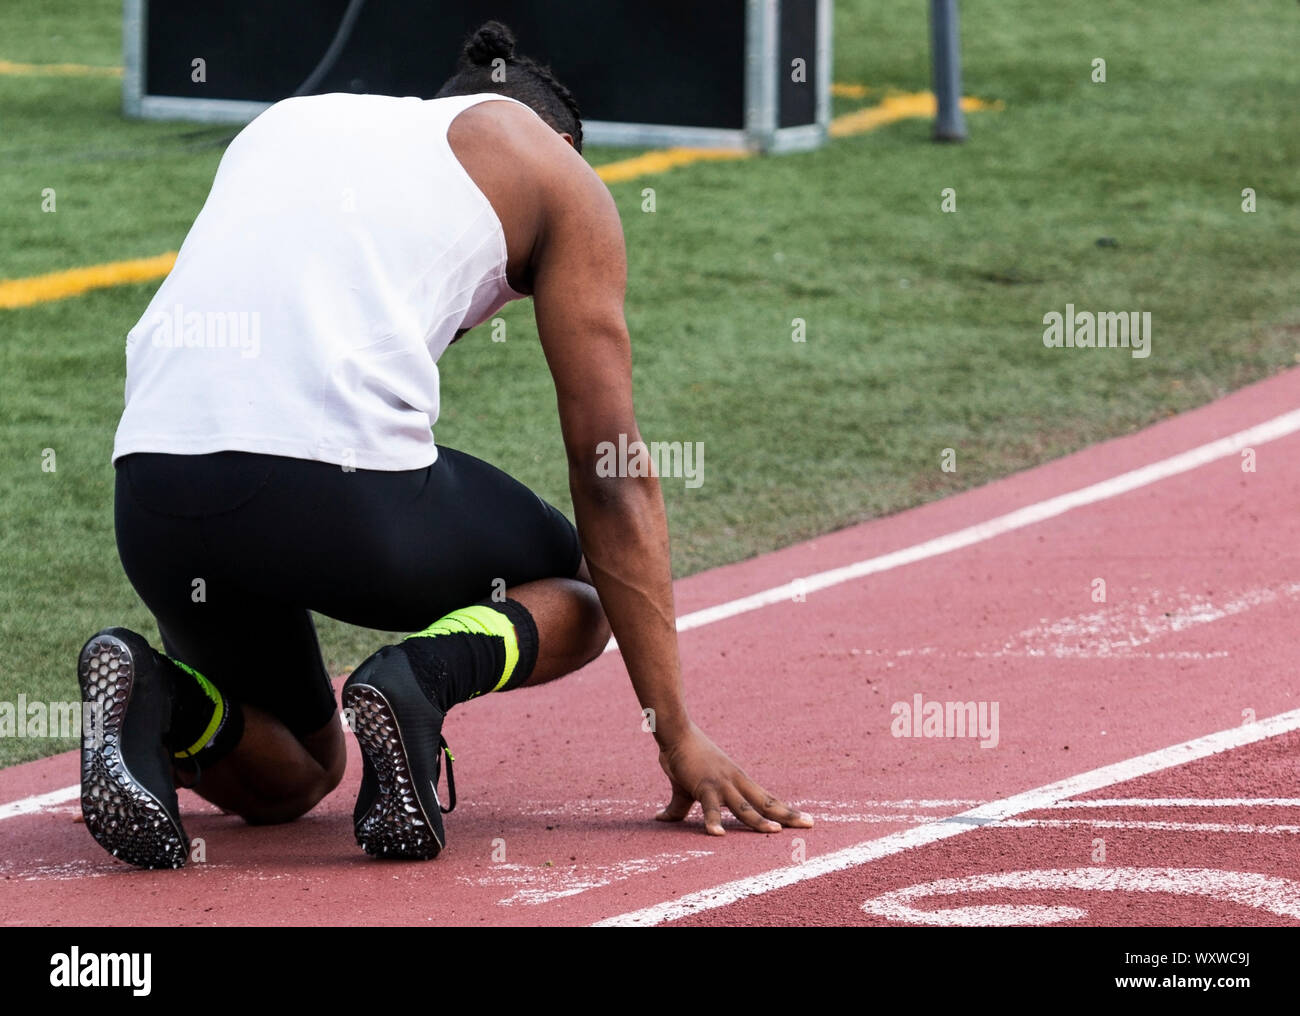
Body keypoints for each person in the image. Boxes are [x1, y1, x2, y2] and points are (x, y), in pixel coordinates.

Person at [80, 20, 812, 869]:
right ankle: (417, 682)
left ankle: (158, 697)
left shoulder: (290, 122)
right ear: (565, 144)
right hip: (333, 492)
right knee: (582, 581)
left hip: (153, 493)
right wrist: (677, 733)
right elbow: (612, 475)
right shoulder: (553, 171)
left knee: (299, 776)